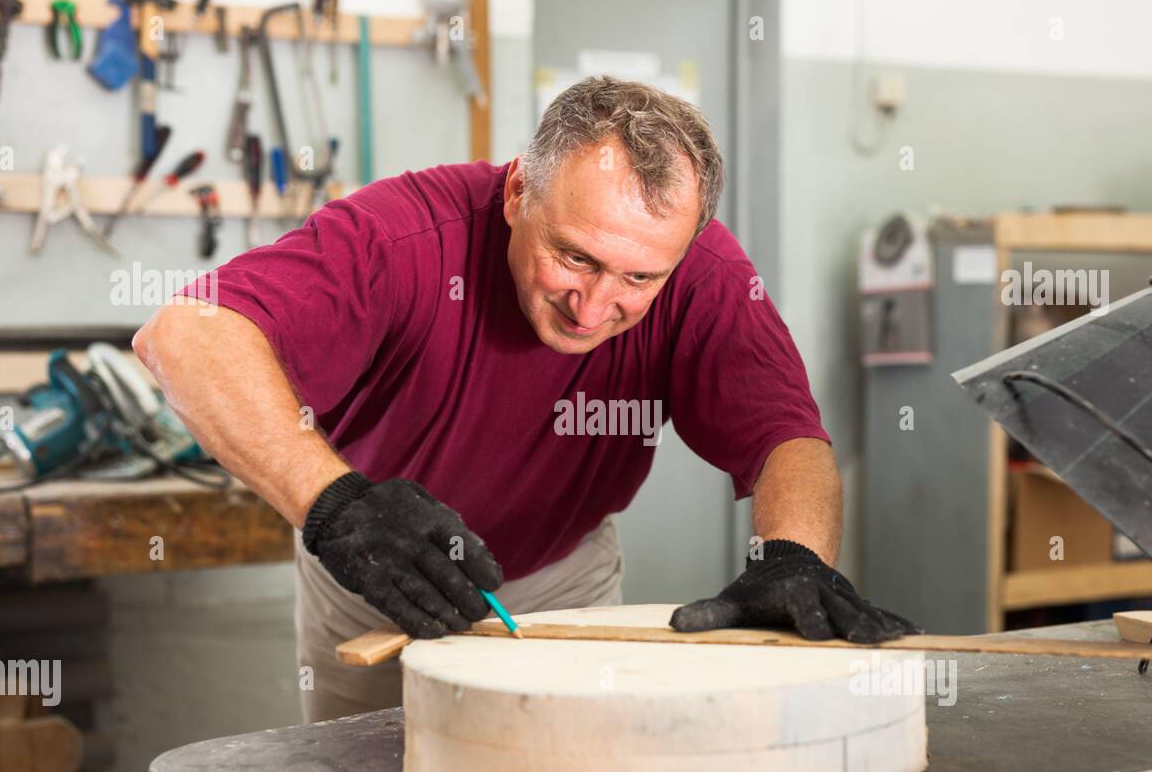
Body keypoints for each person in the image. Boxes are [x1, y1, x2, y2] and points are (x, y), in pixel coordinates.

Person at [133, 76, 915, 722]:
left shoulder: (700, 270)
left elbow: (788, 438)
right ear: (516, 194)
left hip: (563, 579)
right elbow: (183, 335)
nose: (594, 305)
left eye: (639, 279)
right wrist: (338, 509)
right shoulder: (402, 235)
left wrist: (793, 557)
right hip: (377, 574)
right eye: (573, 256)